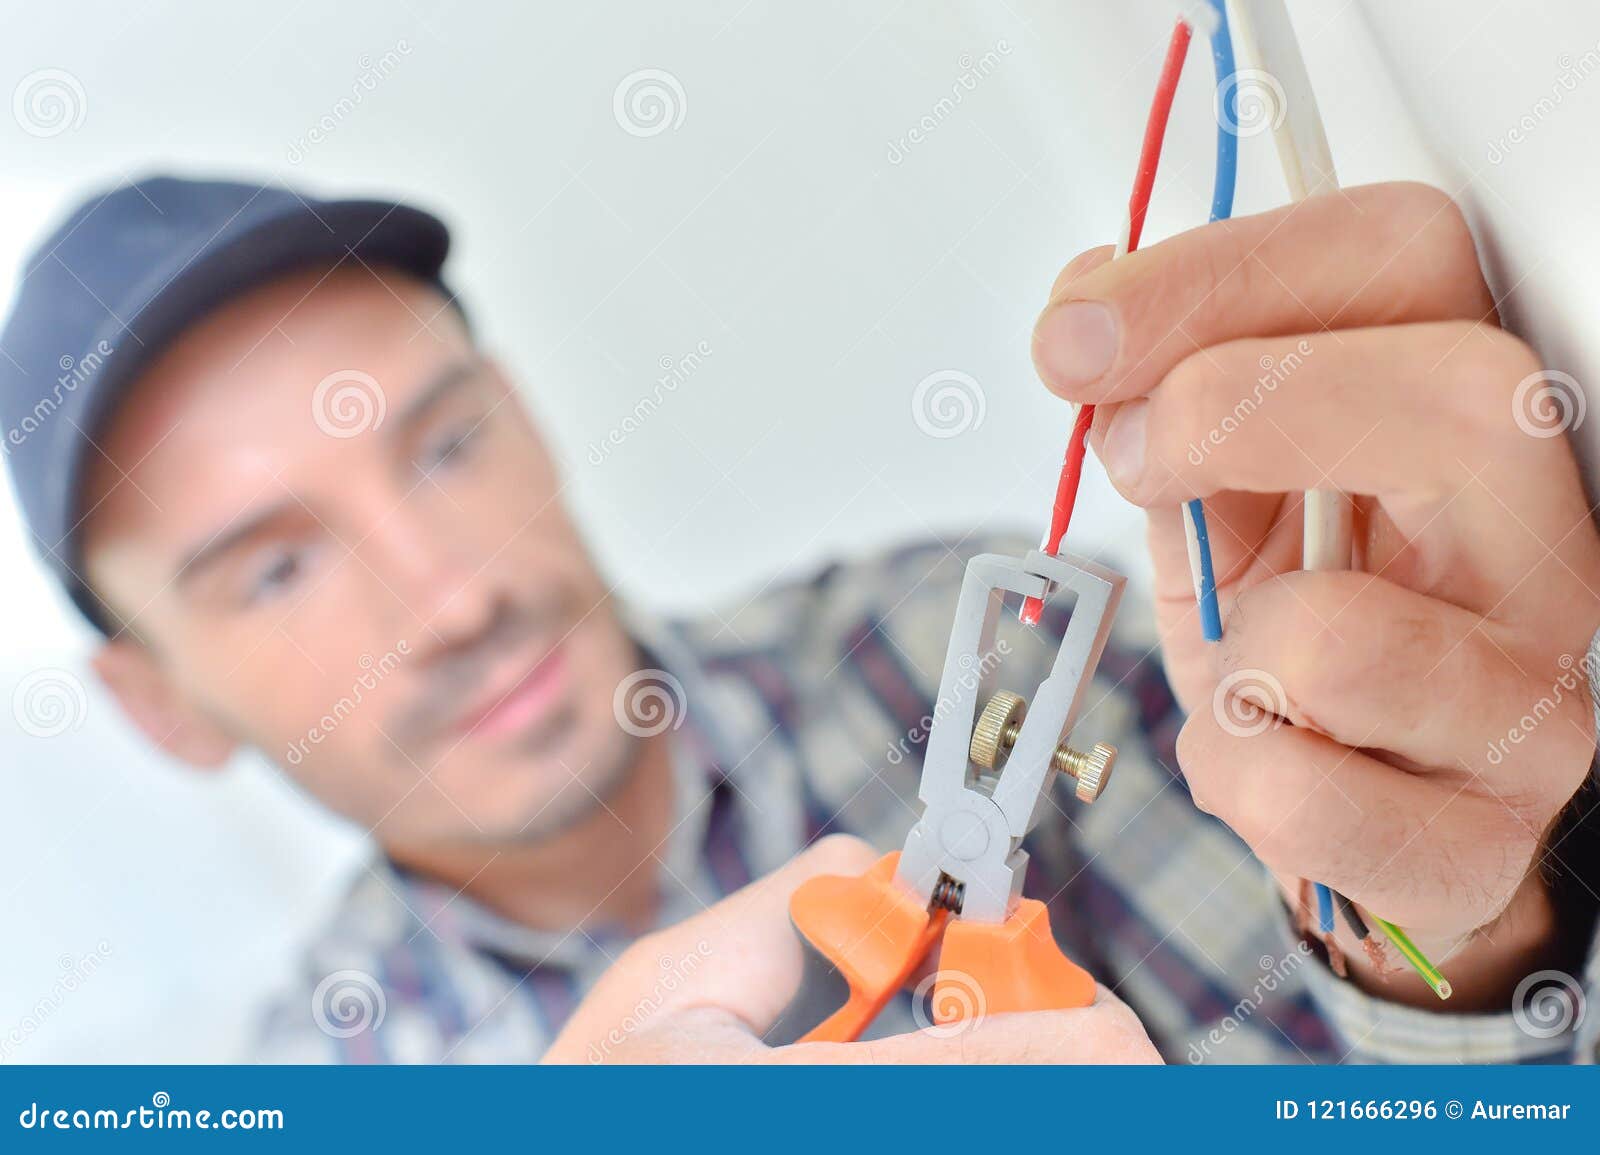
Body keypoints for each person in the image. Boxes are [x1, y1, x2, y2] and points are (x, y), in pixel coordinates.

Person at [1, 175, 1595, 1064]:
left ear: (530, 419)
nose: (451, 597)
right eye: (276, 568)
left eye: (444, 443)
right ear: (160, 707)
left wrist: (1450, 939)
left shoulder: (977, 667)